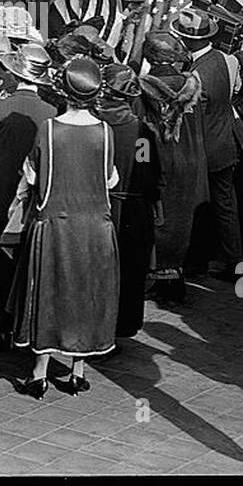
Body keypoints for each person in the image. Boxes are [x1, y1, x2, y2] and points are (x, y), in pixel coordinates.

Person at [7, 57, 120, 398]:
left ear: (62, 91)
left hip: (55, 224)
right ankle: (77, 371)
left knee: (47, 293)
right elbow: (110, 179)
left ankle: (39, 374)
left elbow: (31, 175)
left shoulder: (50, 130)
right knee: (87, 295)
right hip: (96, 227)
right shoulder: (105, 131)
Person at [0, 44, 57, 348]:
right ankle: (12, 321)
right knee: (19, 262)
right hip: (31, 200)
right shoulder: (51, 113)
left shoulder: (0, 108)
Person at [173, 8, 243, 278]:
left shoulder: (195, 77)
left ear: (188, 41)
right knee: (225, 206)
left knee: (197, 207)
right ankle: (233, 261)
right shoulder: (227, 60)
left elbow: (187, 115)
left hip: (204, 148)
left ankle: (196, 263)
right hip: (226, 142)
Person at [137, 31, 208, 303]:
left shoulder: (143, 87)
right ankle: (175, 278)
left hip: (157, 160)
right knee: (181, 221)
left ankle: (158, 278)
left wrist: (141, 166)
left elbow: (141, 133)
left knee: (158, 220)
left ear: (148, 55)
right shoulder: (191, 85)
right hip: (189, 161)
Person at [96, 63, 161, 342]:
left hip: (97, 206)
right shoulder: (140, 132)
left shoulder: (91, 125)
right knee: (129, 271)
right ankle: (120, 327)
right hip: (132, 209)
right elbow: (146, 171)